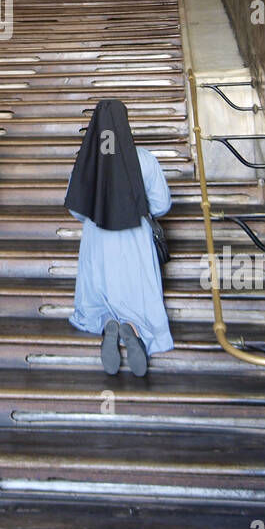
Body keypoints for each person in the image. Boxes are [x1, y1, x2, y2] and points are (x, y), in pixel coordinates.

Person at [65, 98, 173, 377]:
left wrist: (100, 212)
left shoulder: (86, 163)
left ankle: (107, 322)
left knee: (98, 294)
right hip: (135, 238)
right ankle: (134, 327)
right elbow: (161, 205)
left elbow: (76, 208)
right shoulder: (145, 160)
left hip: (96, 239)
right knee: (137, 293)